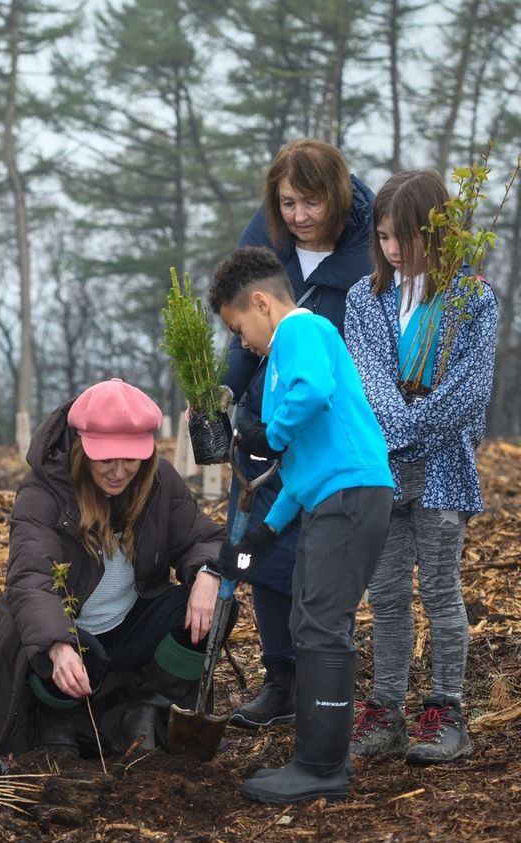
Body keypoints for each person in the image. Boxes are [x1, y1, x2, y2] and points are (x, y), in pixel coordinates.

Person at [209, 247, 393, 804]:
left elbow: (309, 395)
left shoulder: (299, 331)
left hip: (351, 495)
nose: (243, 343)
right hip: (332, 496)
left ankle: (321, 767)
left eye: (239, 328)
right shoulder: (288, 350)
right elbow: (301, 474)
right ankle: (318, 760)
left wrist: (269, 434)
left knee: (320, 625)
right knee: (308, 616)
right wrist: (261, 537)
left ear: (261, 303)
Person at [0, 378, 231, 758]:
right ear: (83, 449)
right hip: (71, 632)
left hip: (128, 625)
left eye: (130, 459)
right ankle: (58, 721)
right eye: (106, 459)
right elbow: (30, 579)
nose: (118, 471)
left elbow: (204, 538)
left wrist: (207, 574)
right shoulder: (43, 492)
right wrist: (57, 644)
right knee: (78, 651)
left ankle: (147, 709)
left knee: (215, 610)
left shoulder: (160, 481)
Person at [344, 169, 497, 765]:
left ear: (436, 234)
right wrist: (399, 431)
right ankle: (384, 711)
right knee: (384, 594)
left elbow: (468, 392)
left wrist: (408, 431)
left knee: (439, 589)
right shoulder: (366, 298)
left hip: (443, 469)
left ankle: (446, 710)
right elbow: (369, 380)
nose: (393, 250)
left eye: (405, 238)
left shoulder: (469, 299)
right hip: (381, 472)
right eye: (383, 237)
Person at [224, 138, 375, 730]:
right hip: (272, 427)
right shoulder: (263, 237)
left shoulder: (368, 250)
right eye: (289, 203)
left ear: (336, 197)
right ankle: (281, 679)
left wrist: (278, 430)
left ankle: (324, 692)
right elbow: (240, 331)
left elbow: (322, 380)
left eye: (312, 203)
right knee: (263, 545)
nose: (299, 216)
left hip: (329, 436)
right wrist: (223, 396)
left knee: (317, 565)